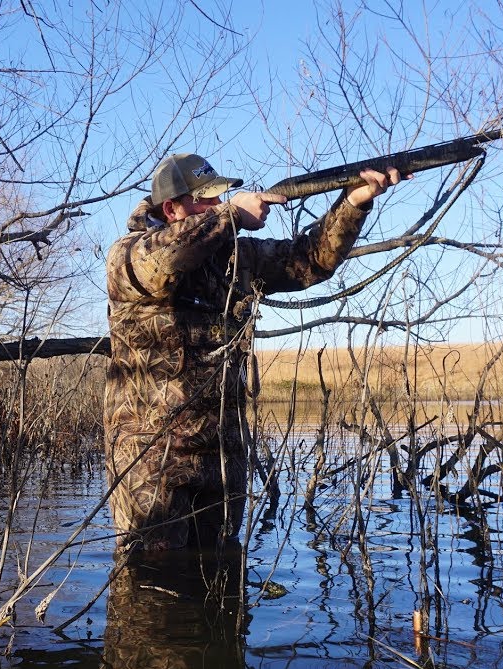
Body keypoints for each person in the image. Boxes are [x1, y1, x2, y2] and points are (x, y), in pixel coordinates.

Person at [104, 152, 405, 552]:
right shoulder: (128, 255)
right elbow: (164, 260)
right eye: (206, 199)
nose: (217, 204)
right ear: (173, 208)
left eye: (220, 197)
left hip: (222, 457)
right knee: (150, 585)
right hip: (151, 461)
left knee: (223, 582)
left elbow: (309, 261)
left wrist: (354, 202)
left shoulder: (236, 258)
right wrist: (227, 215)